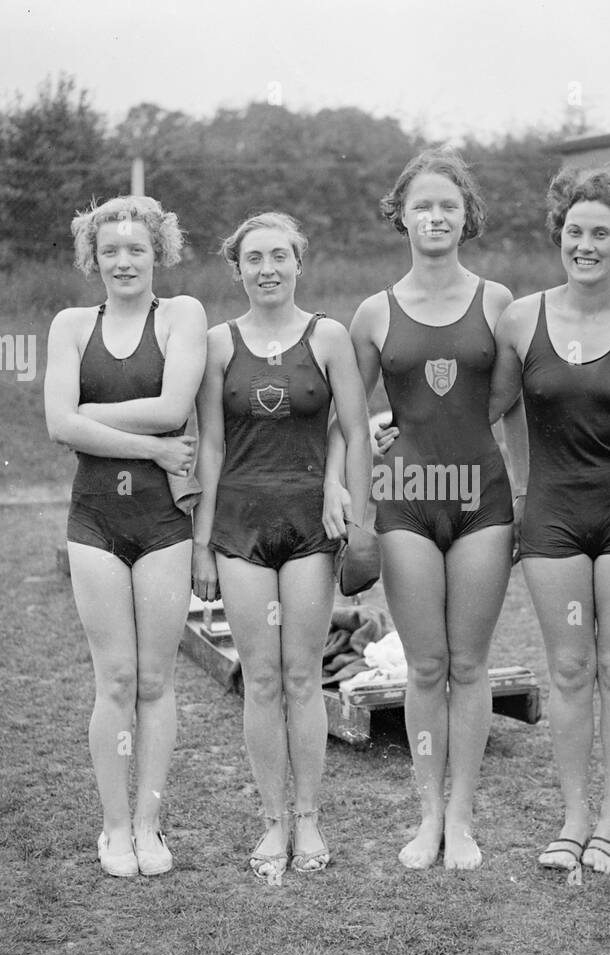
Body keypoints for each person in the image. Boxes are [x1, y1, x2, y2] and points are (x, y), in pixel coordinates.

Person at [334, 148, 516, 870]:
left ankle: (463, 819)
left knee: (470, 666)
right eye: (422, 206)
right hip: (405, 503)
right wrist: (361, 471)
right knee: (426, 665)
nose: (436, 216)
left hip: (482, 502)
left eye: (448, 205)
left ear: (466, 215)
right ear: (401, 216)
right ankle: (427, 816)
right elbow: (349, 418)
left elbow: (505, 401)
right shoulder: (373, 312)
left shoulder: (500, 302)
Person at [489, 166, 610, 874]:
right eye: (574, 231)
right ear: (559, 234)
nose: (585, 244)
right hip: (553, 514)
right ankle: (573, 818)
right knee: (568, 667)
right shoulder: (522, 319)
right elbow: (489, 411)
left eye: (601, 233)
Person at [192, 212, 371, 878]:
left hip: (310, 531)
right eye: (253, 258)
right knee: (260, 679)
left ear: (300, 262)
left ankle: (309, 819)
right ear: (236, 269)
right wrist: (202, 543)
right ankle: (271, 823)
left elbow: (354, 432)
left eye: (280, 256)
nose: (268, 268)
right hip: (240, 526)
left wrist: (349, 507)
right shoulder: (216, 344)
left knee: (302, 677)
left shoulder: (328, 337)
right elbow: (209, 447)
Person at [44, 195, 207, 877]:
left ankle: (149, 825)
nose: (123, 260)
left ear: (157, 252)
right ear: (93, 256)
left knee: (155, 679)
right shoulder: (72, 325)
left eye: (136, 248)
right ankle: (114, 830)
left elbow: (174, 407)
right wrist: (155, 450)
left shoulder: (184, 316)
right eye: (110, 250)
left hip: (163, 523)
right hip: (94, 522)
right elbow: (59, 427)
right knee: (113, 678)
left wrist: (90, 414)